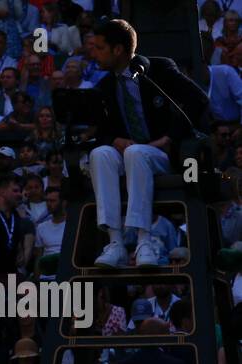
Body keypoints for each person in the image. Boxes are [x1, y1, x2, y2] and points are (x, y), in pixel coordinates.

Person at [89, 19, 210, 269]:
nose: (94, 53)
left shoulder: (158, 70)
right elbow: (100, 131)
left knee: (136, 153)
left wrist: (169, 138)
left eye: (100, 48)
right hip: (131, 154)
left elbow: (198, 100)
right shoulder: (105, 86)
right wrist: (113, 139)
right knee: (100, 154)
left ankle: (144, 239)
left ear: (118, 49)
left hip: (164, 154)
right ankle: (115, 242)